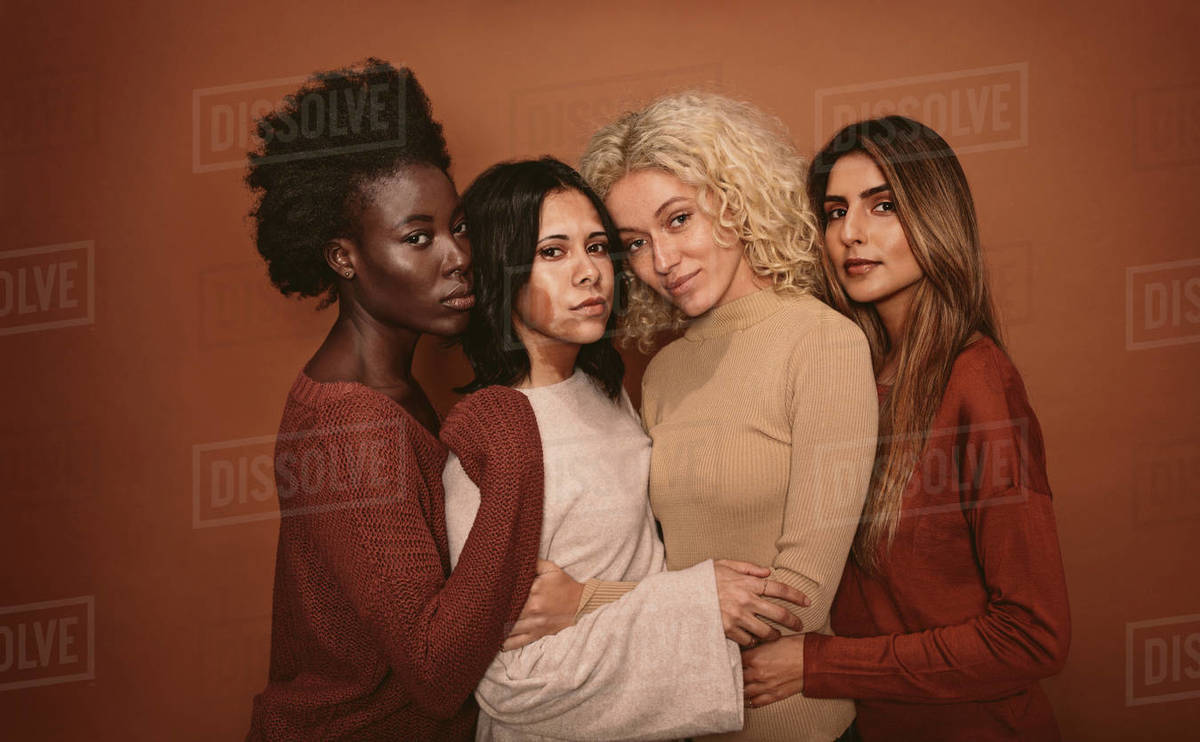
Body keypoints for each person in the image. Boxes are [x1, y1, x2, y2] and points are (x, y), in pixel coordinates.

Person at [443, 157, 812, 741]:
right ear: (498, 272)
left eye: (596, 247)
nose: (589, 272)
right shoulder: (490, 441)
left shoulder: (604, 389)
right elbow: (506, 680)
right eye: (552, 252)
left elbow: (630, 567)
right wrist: (694, 603)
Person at [739, 115, 1071, 742]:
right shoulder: (843, 374)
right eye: (835, 212)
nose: (851, 234)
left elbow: (1033, 636)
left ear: (935, 215)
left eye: (882, 205)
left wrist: (818, 663)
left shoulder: (978, 379)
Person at [242, 59, 547, 741]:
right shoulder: (355, 426)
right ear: (343, 258)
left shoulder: (380, 388)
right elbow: (436, 671)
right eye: (418, 238)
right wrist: (517, 453)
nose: (457, 256)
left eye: (458, 225)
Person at [580, 92, 878, 742]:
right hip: (676, 718)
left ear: (734, 198)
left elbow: (801, 598)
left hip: (793, 728)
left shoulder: (821, 343)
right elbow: (659, 561)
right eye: (634, 242)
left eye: (678, 218)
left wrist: (582, 603)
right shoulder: (662, 373)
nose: (662, 261)